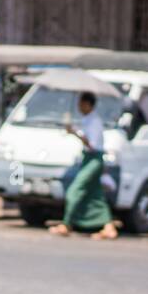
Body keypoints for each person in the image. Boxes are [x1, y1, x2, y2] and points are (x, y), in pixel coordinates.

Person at [48, 91, 120, 239]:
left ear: (88, 104)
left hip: (94, 159)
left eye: (81, 103)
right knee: (96, 196)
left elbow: (92, 145)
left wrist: (74, 132)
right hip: (88, 158)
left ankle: (66, 224)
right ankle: (109, 227)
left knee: (74, 190)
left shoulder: (94, 121)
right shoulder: (87, 119)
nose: (79, 106)